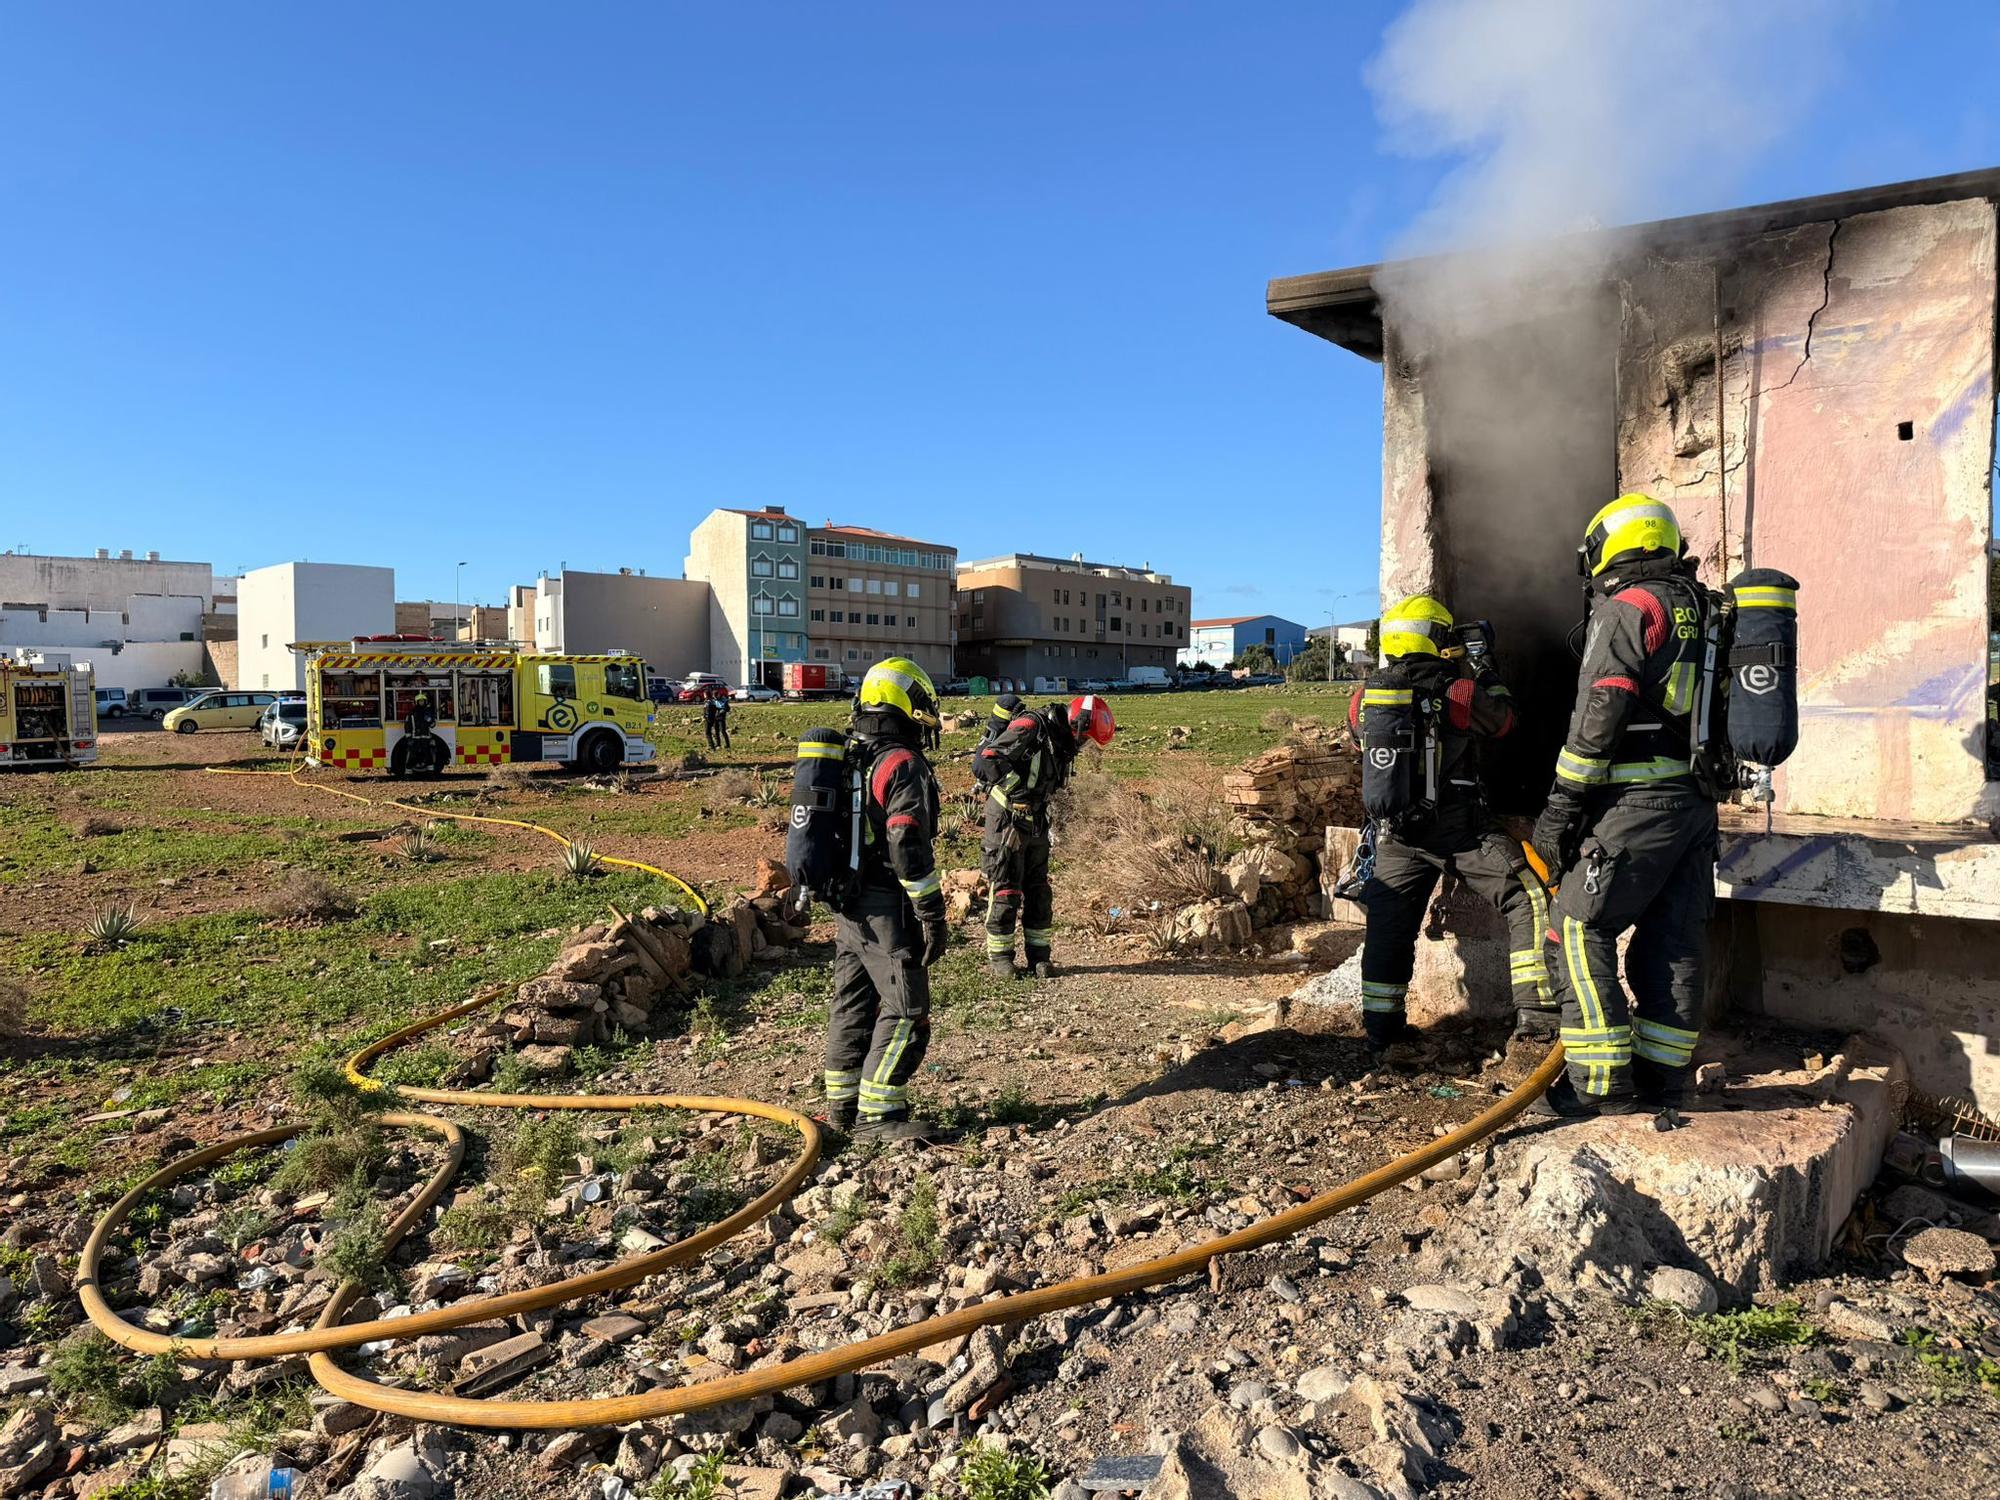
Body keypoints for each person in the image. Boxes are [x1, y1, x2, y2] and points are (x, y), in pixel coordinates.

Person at [1530, 494, 1718, 1117]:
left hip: (1636, 802)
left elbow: (1600, 714)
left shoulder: (1628, 608)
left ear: (1610, 547)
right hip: (1695, 803)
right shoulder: (1706, 608)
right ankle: (1664, 1077)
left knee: (1577, 928)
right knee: (1674, 938)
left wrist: (1561, 809)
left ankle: (1600, 1085)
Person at [1349, 595, 1557, 1062]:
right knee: (1528, 896)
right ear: (1438, 639)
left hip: (1395, 835)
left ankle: (1382, 1034)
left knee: (1388, 926)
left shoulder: (1364, 699)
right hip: (1458, 832)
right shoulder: (1458, 692)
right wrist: (1483, 666)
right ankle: (1538, 1021)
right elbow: (1505, 722)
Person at [816, 657, 951, 1142]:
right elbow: (907, 843)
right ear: (908, 706)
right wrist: (931, 912)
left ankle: (842, 1108)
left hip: (848, 904)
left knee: (852, 1004)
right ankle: (878, 1115)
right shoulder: (901, 763)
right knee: (906, 1009)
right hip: (886, 907)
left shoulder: (853, 756)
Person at [974, 694, 1115, 979]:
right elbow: (989, 760)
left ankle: (1039, 957)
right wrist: (1019, 791)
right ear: (1077, 723)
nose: (1083, 745)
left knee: (1039, 890)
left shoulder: (1060, 740)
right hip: (1007, 817)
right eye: (1085, 738)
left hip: (1036, 819)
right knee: (1006, 886)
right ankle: (1001, 958)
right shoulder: (1031, 726)